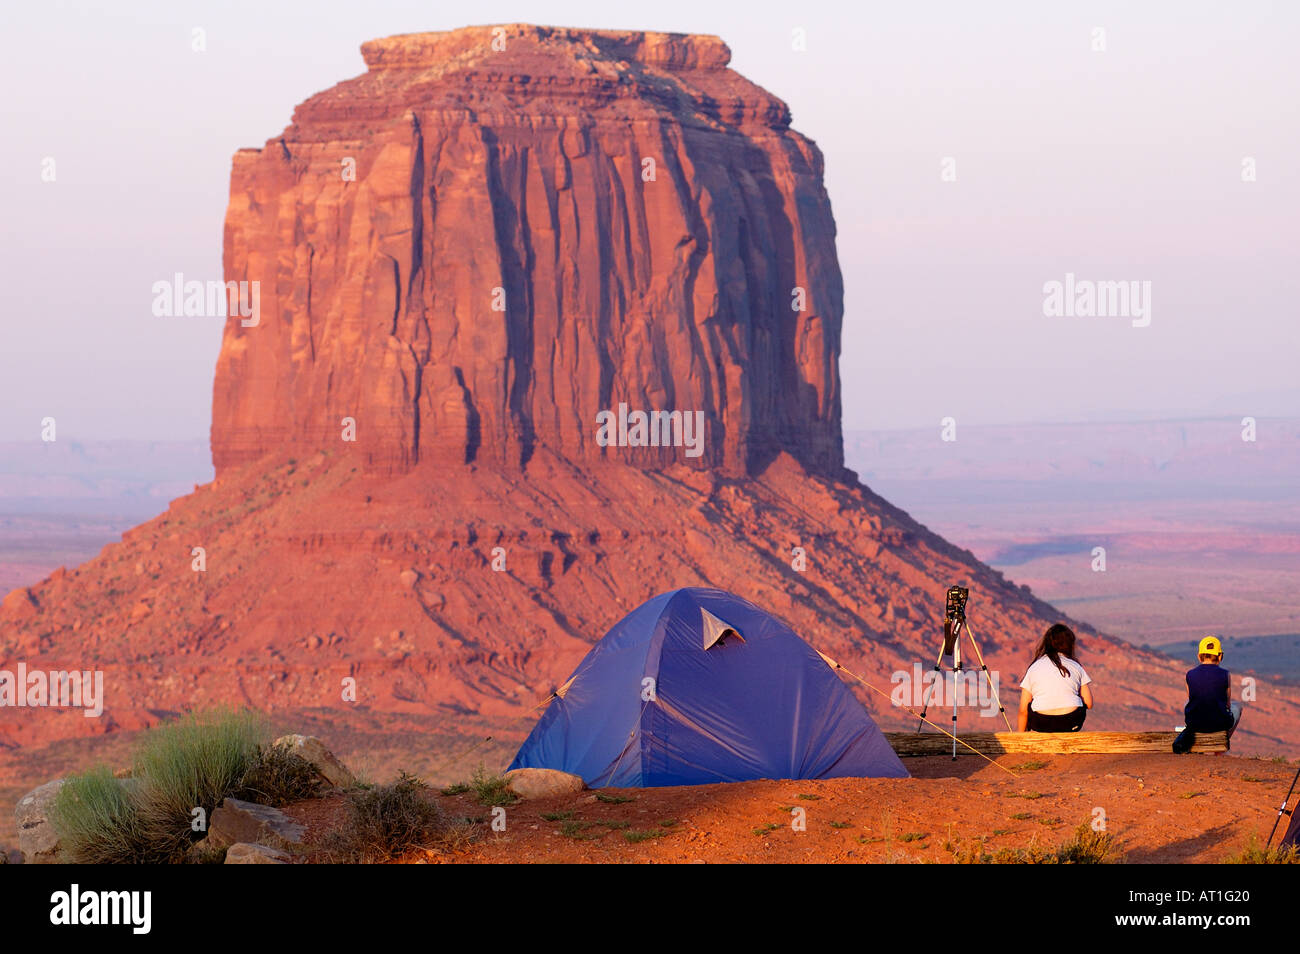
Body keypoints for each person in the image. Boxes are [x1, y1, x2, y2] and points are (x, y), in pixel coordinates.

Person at [1017, 623, 1094, 732]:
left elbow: (1023, 710)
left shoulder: (1034, 667)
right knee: (1080, 704)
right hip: (1070, 722)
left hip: (1041, 723)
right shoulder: (1076, 666)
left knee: (1030, 705)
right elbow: (1089, 703)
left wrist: (1020, 737)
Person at [1172, 635, 1243, 753]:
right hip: (1219, 724)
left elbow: (1192, 699)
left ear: (1199, 657)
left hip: (1195, 724)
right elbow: (1228, 704)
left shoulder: (1189, 674)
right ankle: (1221, 743)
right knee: (1239, 707)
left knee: (1187, 703)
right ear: (1220, 656)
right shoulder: (1225, 674)